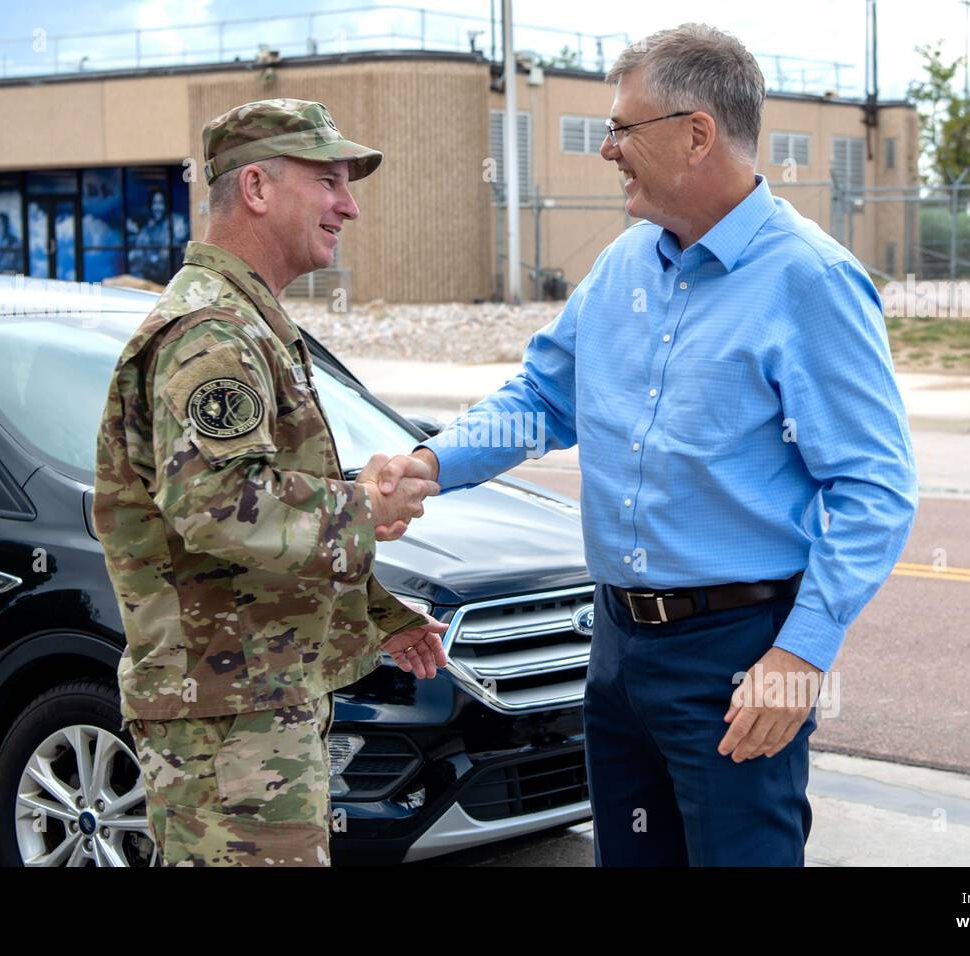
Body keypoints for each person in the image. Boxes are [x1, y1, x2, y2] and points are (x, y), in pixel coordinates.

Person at [381, 24, 918, 866]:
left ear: (696, 133)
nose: (606, 149)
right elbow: (542, 400)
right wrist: (430, 464)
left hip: (739, 658)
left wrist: (800, 652)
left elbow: (873, 488)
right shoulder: (624, 265)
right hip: (618, 651)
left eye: (623, 129)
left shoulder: (808, 280)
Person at [92, 98, 447, 867]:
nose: (348, 206)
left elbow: (253, 499)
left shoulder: (244, 322)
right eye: (328, 181)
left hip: (250, 709)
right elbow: (218, 506)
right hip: (229, 725)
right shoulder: (213, 332)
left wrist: (377, 609)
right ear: (256, 188)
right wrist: (367, 505)